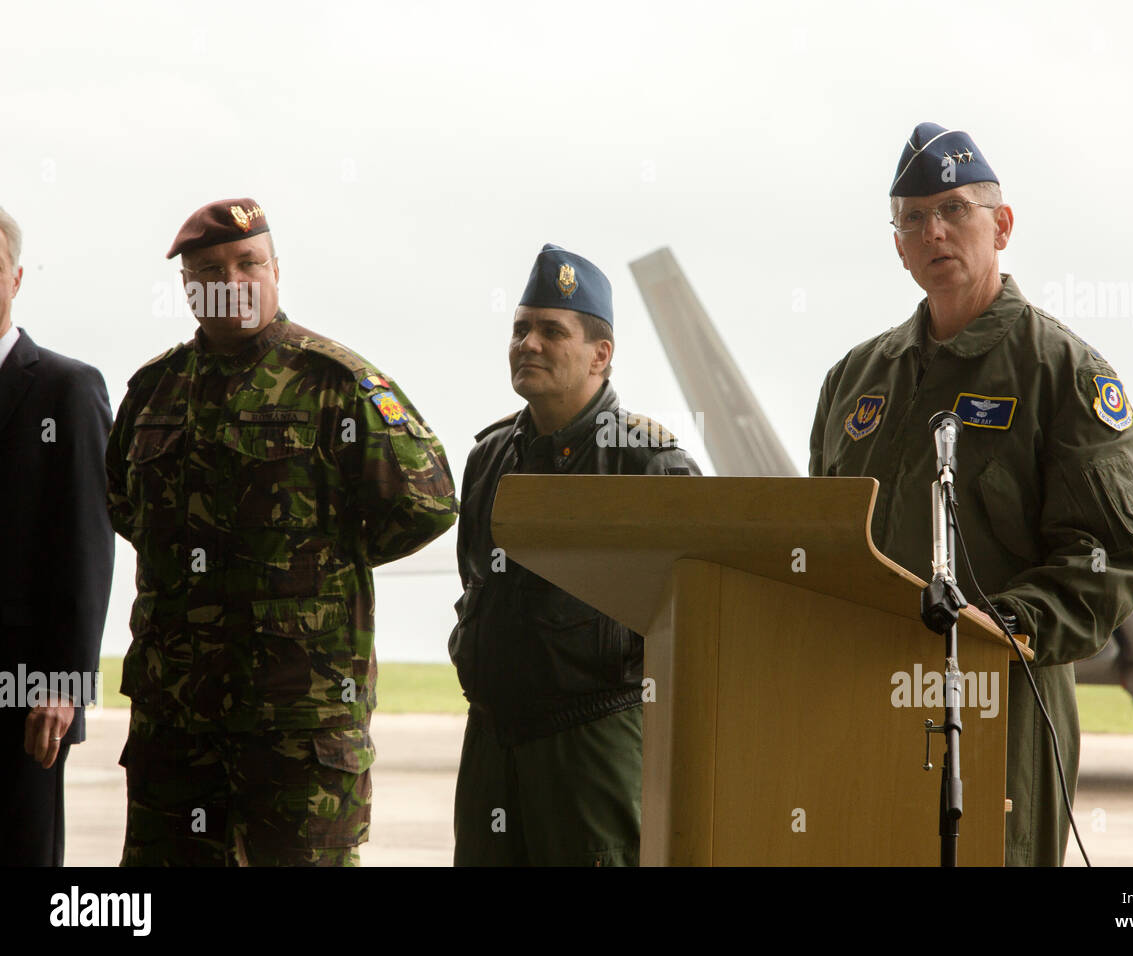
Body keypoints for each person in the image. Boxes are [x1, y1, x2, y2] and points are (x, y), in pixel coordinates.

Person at [808, 124, 1133, 866]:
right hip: (863, 706)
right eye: (912, 218)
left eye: (955, 210)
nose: (934, 230)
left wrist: (1006, 621)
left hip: (1004, 709)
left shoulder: (1062, 374)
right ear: (897, 244)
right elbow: (821, 543)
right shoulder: (853, 382)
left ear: (1000, 225)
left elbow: (1108, 558)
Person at [106, 198, 458, 866]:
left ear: (276, 269)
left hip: (300, 722)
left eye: (249, 263)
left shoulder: (337, 384)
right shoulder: (154, 392)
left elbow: (428, 502)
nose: (232, 281)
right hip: (176, 723)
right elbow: (125, 507)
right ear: (185, 287)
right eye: (210, 269)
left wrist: (318, 562)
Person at [450, 243, 700, 866]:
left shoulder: (648, 463)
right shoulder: (488, 458)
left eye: (551, 331)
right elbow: (475, 579)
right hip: (491, 743)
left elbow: (693, 620)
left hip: (591, 745)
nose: (527, 343)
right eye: (520, 328)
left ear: (601, 355)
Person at [0, 205, 114, 866]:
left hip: (19, 702)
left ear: (16, 280)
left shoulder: (66, 389)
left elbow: (87, 546)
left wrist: (65, 684)